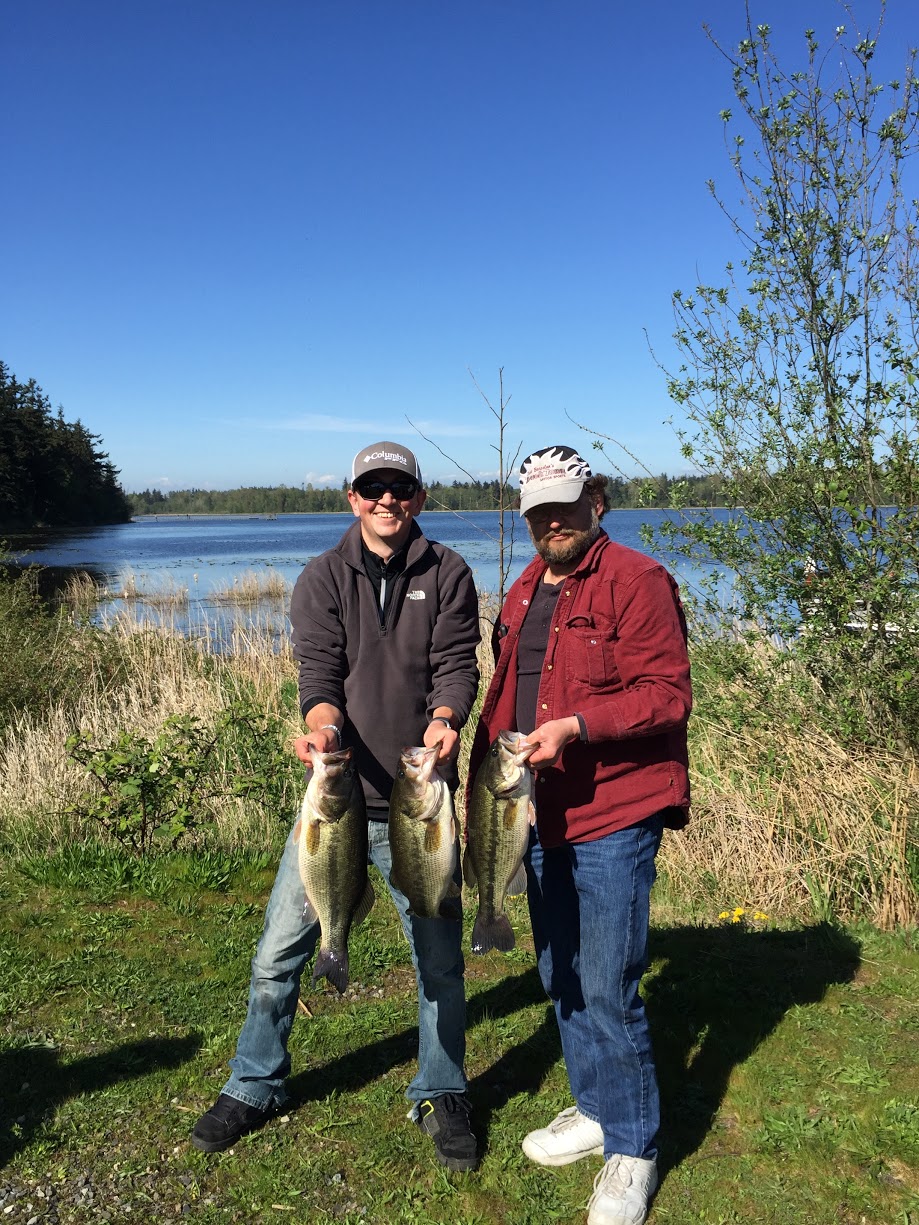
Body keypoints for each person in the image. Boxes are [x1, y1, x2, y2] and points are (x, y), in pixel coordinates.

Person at [192, 441, 481, 1171]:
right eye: (372, 487)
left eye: (399, 488)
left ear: (419, 498)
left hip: (421, 808)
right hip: (338, 808)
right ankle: (254, 1082)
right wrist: (323, 728)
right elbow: (318, 674)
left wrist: (446, 718)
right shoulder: (322, 577)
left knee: (440, 964)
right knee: (275, 955)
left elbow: (455, 665)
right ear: (352, 497)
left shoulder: (448, 572)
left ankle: (442, 1090)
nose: (387, 499)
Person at [467, 444, 692, 1225]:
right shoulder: (524, 585)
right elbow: (507, 693)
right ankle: (596, 1107)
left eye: (564, 506)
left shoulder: (637, 579)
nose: (551, 522)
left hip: (611, 813)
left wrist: (577, 725)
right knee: (558, 970)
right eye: (538, 512)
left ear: (595, 500)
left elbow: (667, 694)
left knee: (606, 981)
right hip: (532, 810)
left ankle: (632, 1149)